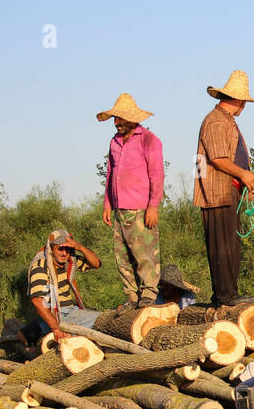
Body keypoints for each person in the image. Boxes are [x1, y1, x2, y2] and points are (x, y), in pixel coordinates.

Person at [195, 70, 254, 308]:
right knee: (222, 246)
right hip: (215, 194)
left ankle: (228, 293)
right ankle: (224, 296)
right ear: (240, 100)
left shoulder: (227, 121)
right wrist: (244, 174)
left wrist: (246, 184)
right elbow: (219, 159)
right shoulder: (215, 121)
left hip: (229, 192)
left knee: (231, 246)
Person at [98, 93, 164, 308]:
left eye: (120, 118)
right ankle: (132, 297)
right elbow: (110, 174)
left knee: (145, 254)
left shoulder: (149, 140)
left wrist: (153, 206)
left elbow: (156, 174)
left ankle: (149, 295)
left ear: (133, 119)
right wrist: (107, 204)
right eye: (115, 118)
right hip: (118, 207)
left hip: (140, 208)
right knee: (122, 256)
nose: (116, 123)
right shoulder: (114, 142)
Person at [27, 229, 102, 339]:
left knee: (99, 318)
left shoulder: (70, 262)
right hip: (57, 314)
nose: (64, 253)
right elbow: (37, 301)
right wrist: (56, 327)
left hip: (71, 310)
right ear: (51, 248)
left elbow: (96, 264)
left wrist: (80, 247)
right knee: (100, 320)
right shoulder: (41, 266)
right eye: (60, 249)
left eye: (68, 249)